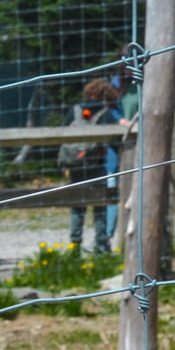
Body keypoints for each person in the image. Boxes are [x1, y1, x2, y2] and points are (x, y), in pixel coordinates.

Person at [60, 78, 121, 253]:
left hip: (75, 165)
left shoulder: (75, 110)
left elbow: (62, 131)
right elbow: (115, 141)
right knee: (99, 208)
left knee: (77, 208)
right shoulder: (105, 114)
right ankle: (101, 245)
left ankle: (75, 245)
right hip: (96, 165)